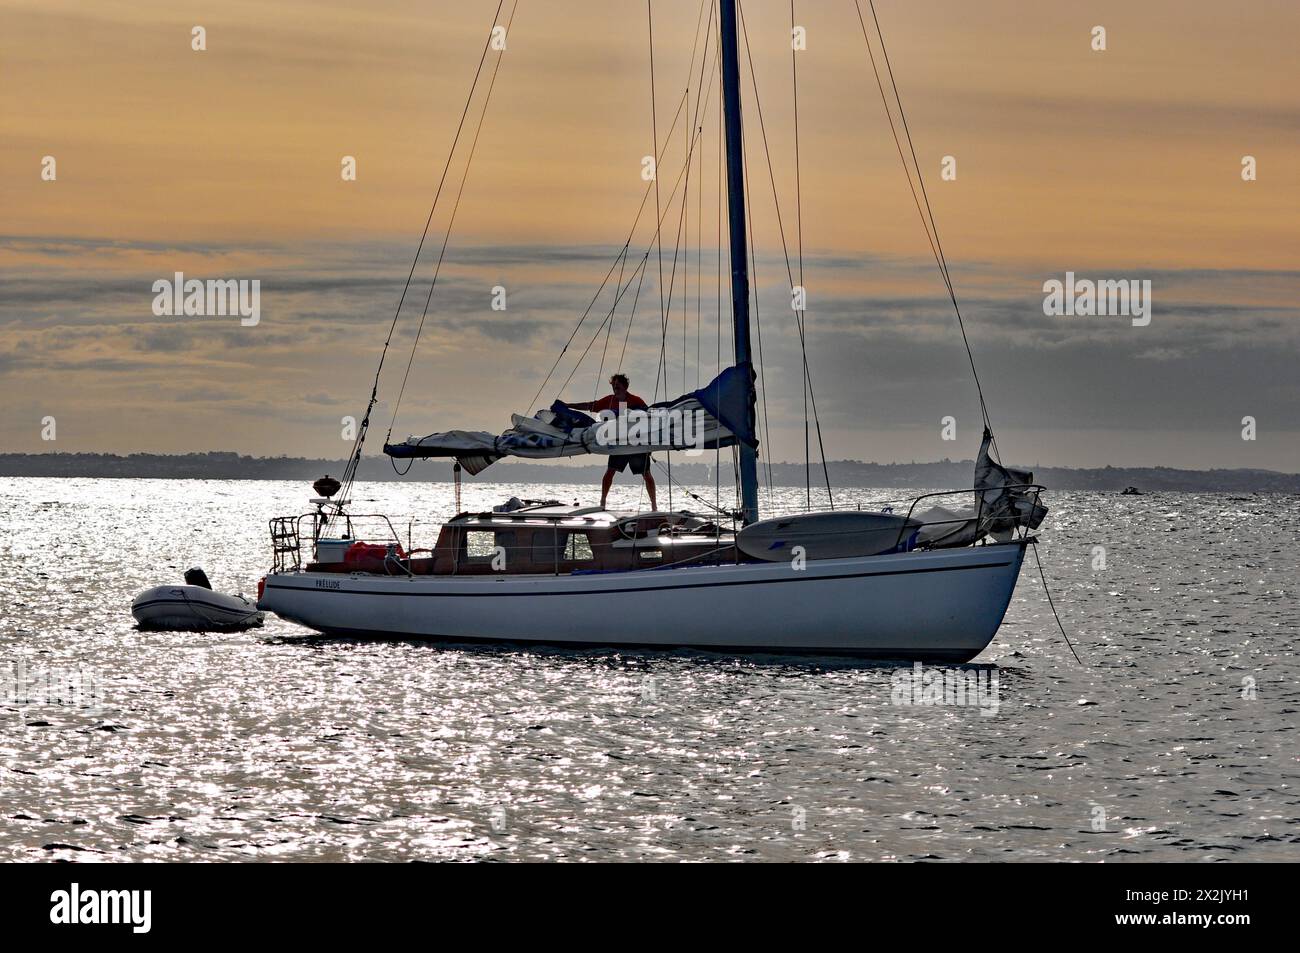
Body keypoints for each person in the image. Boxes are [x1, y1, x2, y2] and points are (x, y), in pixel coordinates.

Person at [567, 373, 657, 511]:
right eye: (614, 386)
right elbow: (590, 405)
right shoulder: (609, 400)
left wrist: (649, 444)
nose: (616, 389)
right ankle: (602, 502)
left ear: (625, 387)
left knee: (646, 474)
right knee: (609, 472)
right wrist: (568, 406)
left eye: (618, 386)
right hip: (618, 445)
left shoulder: (636, 400)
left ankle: (654, 506)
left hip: (637, 444)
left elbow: (649, 418)